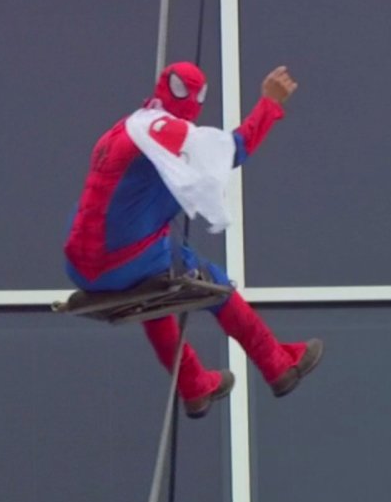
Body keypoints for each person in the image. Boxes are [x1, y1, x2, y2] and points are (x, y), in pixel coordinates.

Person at [64, 61, 322, 416]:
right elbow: (231, 151)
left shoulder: (121, 130)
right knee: (210, 279)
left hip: (82, 266)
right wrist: (269, 105)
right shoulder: (159, 130)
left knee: (157, 292)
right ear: (192, 96)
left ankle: (194, 385)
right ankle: (277, 364)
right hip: (122, 260)